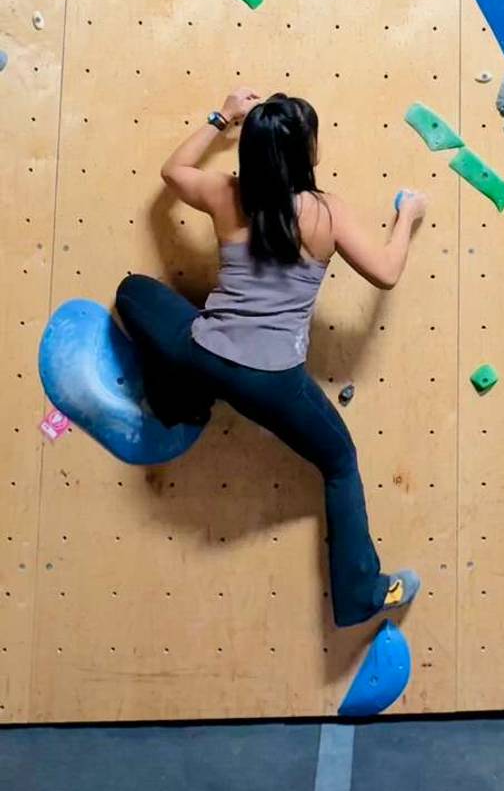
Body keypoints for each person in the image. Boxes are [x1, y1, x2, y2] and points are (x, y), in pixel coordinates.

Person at [114, 87, 427, 629]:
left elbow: (172, 171)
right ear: (308, 153)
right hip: (271, 384)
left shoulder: (224, 193)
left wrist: (221, 117)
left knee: (134, 293)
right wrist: (408, 217)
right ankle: (359, 597)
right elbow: (387, 272)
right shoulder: (326, 213)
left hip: (205, 354)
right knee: (339, 463)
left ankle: (180, 404)